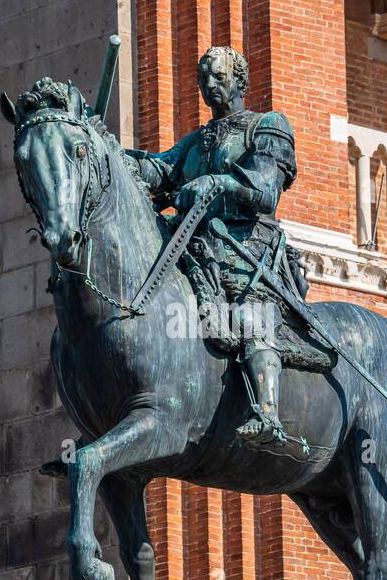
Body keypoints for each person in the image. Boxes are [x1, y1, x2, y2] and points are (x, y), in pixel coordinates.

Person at [128, 45, 330, 449]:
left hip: (247, 250)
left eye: (218, 77)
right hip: (195, 247)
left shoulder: (267, 127)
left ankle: (267, 412)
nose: (209, 85)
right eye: (204, 79)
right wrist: (118, 160)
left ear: (240, 79)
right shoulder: (197, 141)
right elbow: (161, 171)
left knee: (252, 316)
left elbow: (266, 190)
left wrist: (218, 182)